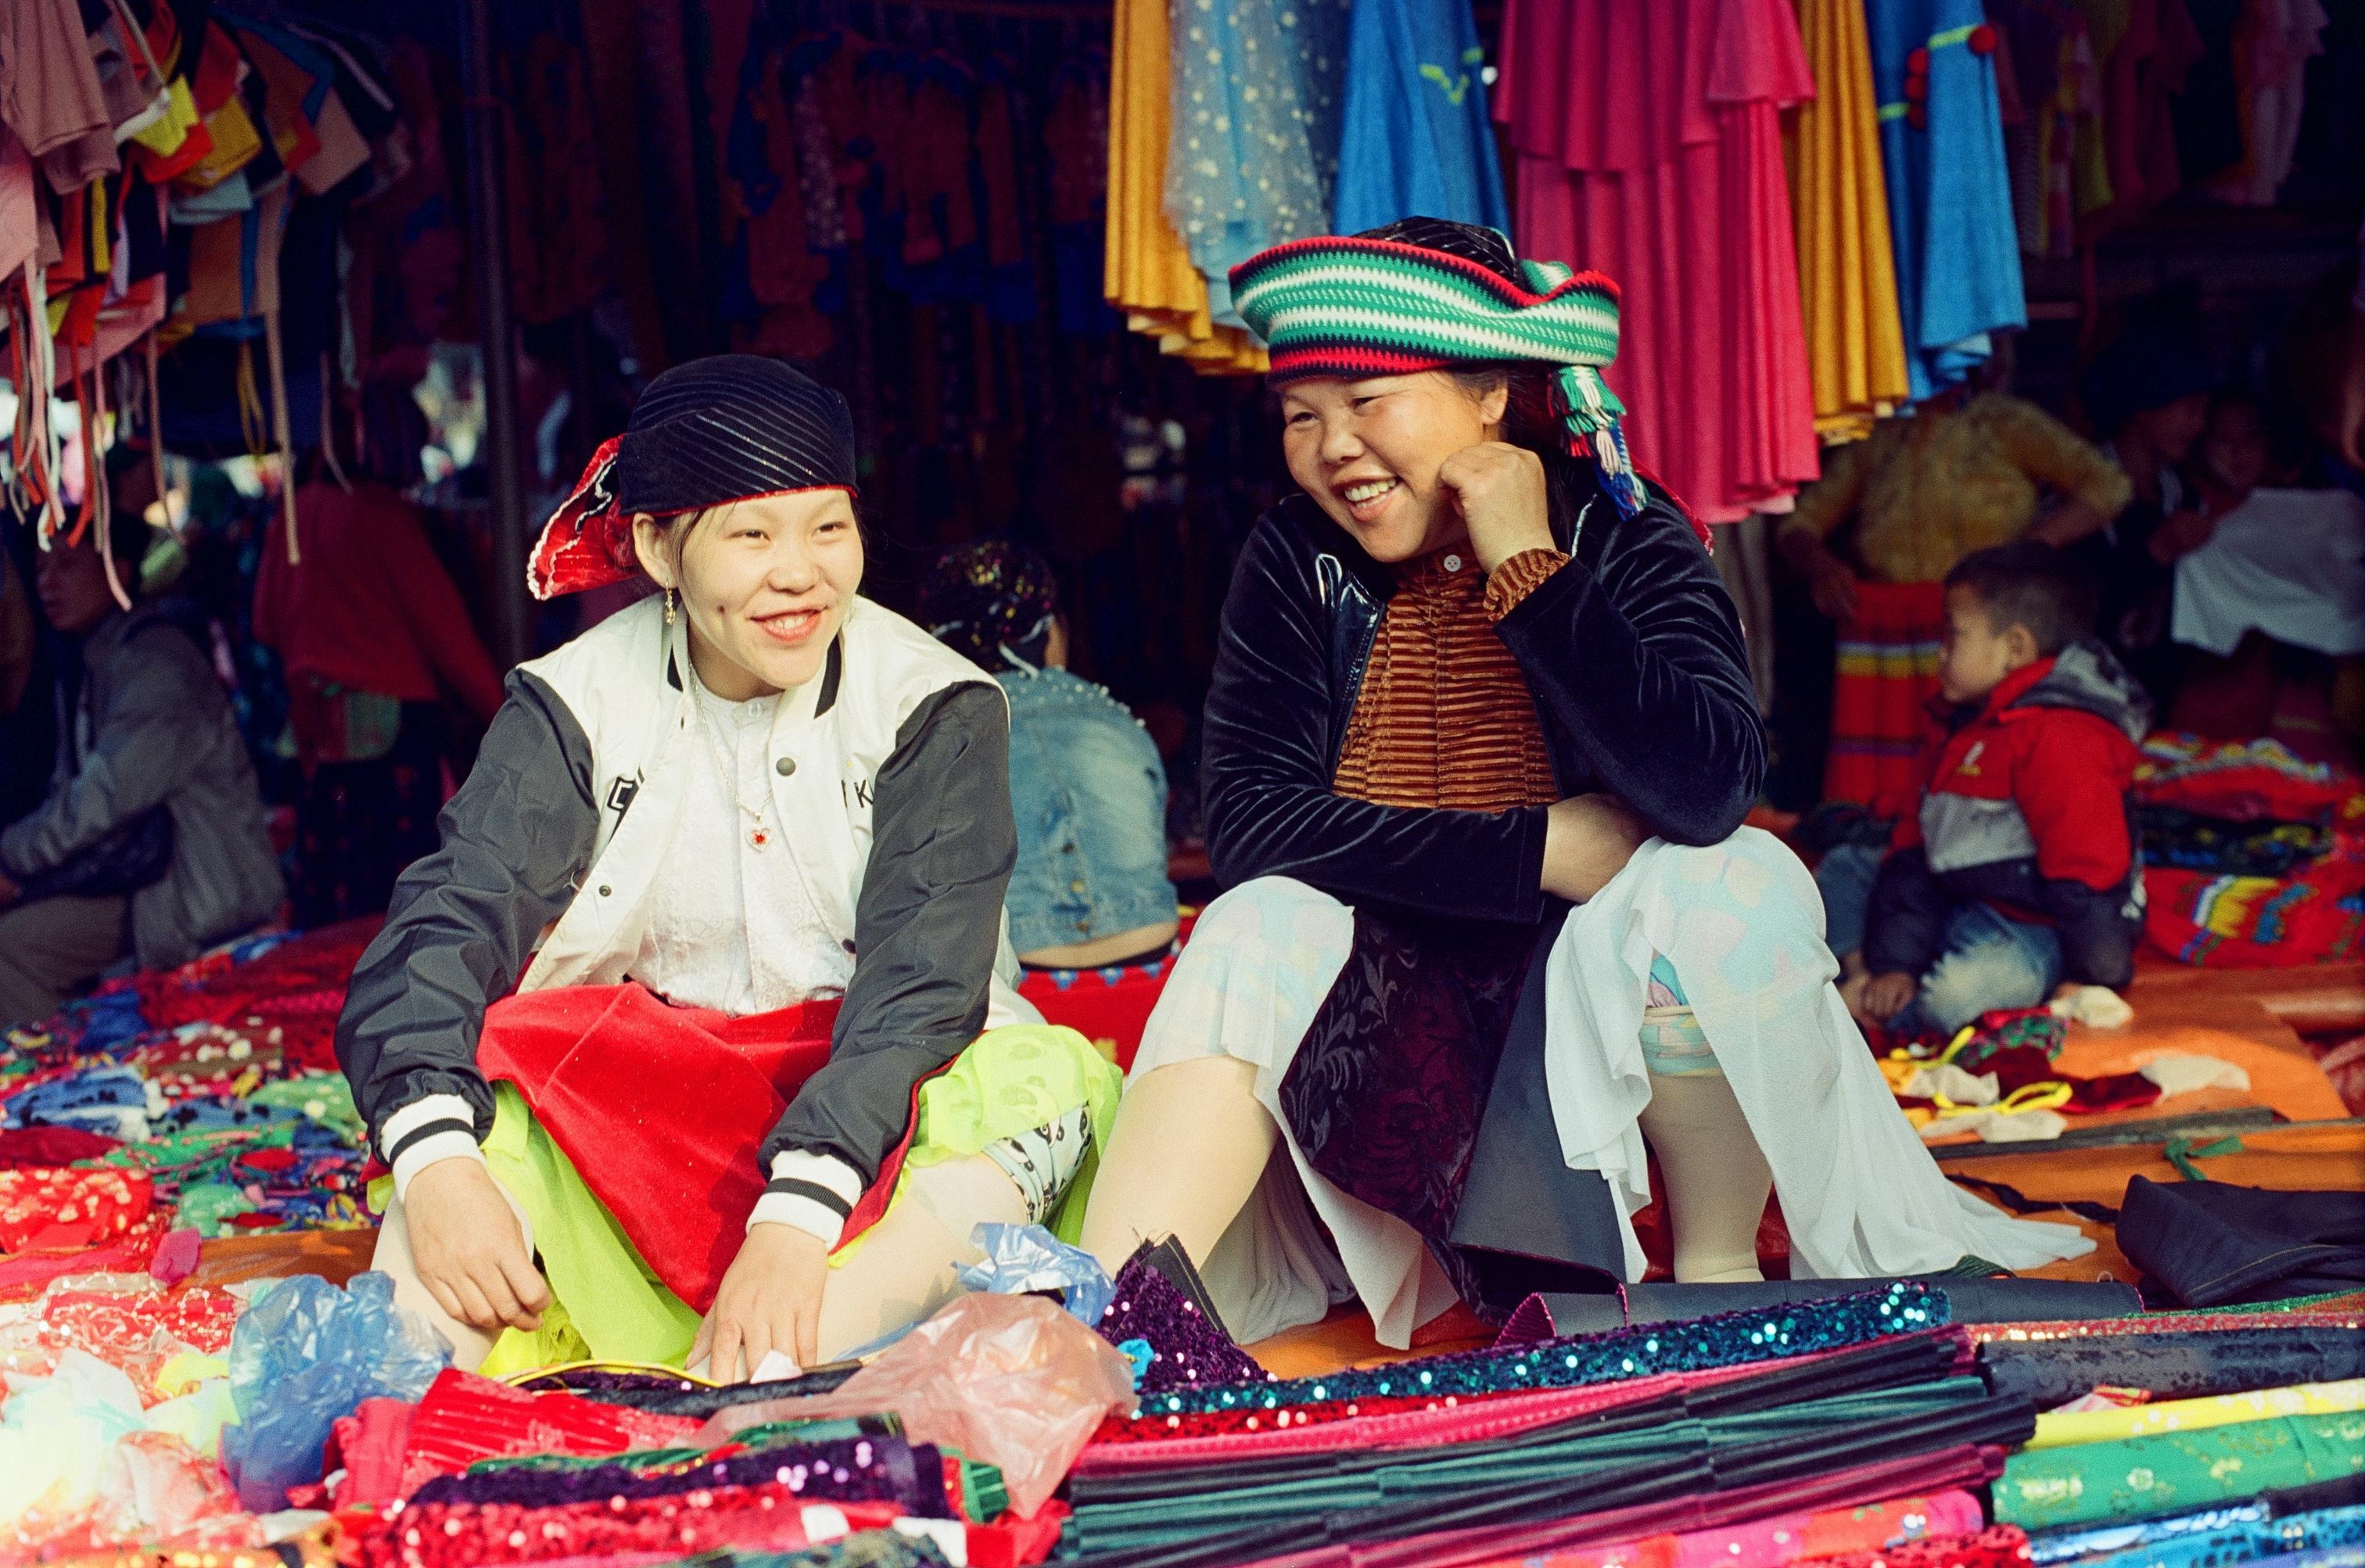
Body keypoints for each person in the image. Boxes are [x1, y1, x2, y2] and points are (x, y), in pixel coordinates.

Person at [1075, 220, 2090, 1350]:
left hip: (1586, 980)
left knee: (1738, 881)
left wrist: (1530, 566)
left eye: (1369, 402)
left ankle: (1706, 1273)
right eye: (1301, 418)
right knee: (1251, 920)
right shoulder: (1293, 552)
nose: (1334, 450)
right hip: (1389, 989)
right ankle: (1105, 1316)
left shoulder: (1621, 522)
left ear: (1490, 395)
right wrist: (1533, 848)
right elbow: (1251, 824)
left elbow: (1709, 786)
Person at [335, 356, 1119, 1381]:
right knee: (407, 1332)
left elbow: (922, 989)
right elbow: (448, 921)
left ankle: (752, 1383)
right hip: (642, 1108)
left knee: (1018, 1108)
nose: (801, 572)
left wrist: (793, 1220)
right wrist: (436, 1165)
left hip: (890, 1094)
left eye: (828, 528)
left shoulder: (934, 704)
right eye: (751, 534)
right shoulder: (575, 702)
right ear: (659, 548)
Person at [1826, 544, 2149, 1039]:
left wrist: (2091, 979)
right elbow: (1914, 848)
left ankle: (1875, 1012)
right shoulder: (1960, 721)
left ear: (2016, 650)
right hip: (1948, 894)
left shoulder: (2060, 736)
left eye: (1953, 636)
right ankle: (1866, 978)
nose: (1940, 654)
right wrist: (1896, 963)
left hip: (2030, 925)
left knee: (1954, 1002)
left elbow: (2088, 875)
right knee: (1843, 868)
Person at [1776, 376, 2132, 814]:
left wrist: (2033, 547)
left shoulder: (2004, 421)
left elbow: (2109, 486)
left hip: (1985, 636)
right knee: (1877, 798)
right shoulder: (1883, 432)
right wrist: (1821, 566)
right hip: (1884, 646)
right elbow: (1798, 523)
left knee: (1975, 767)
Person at [0, 505, 284, 1026]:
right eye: (41, 568)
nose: (49, 584)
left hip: (200, 895)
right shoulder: (98, 658)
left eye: (68, 566)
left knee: (12, 950)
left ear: (120, 572)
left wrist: (13, 857)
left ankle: (47, 1076)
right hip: (149, 884)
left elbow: (100, 797)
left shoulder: (156, 664)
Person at [253, 389, 507, 927]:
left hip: (315, 734)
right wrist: (507, 713)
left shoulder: (291, 515)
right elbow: (446, 633)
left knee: (334, 895)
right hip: (389, 734)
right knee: (394, 899)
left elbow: (265, 623)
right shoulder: (381, 515)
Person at [917, 540, 1179, 970]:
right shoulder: (1115, 720)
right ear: (1053, 634)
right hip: (1148, 951)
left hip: (1027, 969)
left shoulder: (938, 738)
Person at [2055, 325, 2217, 705]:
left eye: (2205, 411)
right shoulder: (2078, 489)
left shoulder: (2182, 495)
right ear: (2145, 408)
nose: (2200, 425)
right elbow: (2070, 608)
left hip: (2158, 703)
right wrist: (2157, 550)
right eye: (2190, 408)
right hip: (2088, 702)